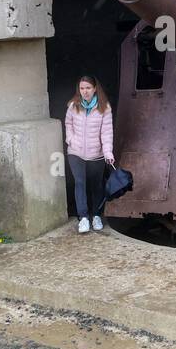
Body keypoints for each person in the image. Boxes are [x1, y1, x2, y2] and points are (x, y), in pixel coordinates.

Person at [64, 75, 115, 233]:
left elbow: (106, 133)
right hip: (76, 152)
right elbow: (68, 124)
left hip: (96, 154)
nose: (84, 91)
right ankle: (84, 218)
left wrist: (107, 152)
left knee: (96, 185)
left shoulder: (104, 108)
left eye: (88, 88)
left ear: (94, 89)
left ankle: (97, 216)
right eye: (82, 88)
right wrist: (71, 140)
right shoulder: (73, 106)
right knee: (80, 182)